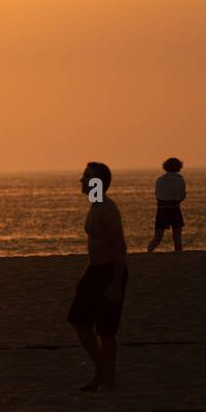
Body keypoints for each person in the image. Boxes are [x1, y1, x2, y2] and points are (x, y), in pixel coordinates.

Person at [67, 162, 128, 393]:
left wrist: (115, 284)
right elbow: (96, 246)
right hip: (95, 271)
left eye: (86, 176)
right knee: (78, 321)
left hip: (110, 272)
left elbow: (120, 247)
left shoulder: (106, 209)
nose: (81, 180)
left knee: (106, 331)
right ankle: (101, 371)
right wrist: (85, 274)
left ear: (97, 182)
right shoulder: (94, 206)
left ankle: (107, 378)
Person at [147, 157, 186, 252]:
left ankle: (148, 253)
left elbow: (157, 195)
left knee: (157, 237)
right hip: (175, 208)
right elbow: (182, 195)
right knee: (177, 238)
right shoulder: (180, 179)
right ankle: (179, 255)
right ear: (178, 167)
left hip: (162, 209)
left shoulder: (160, 179)